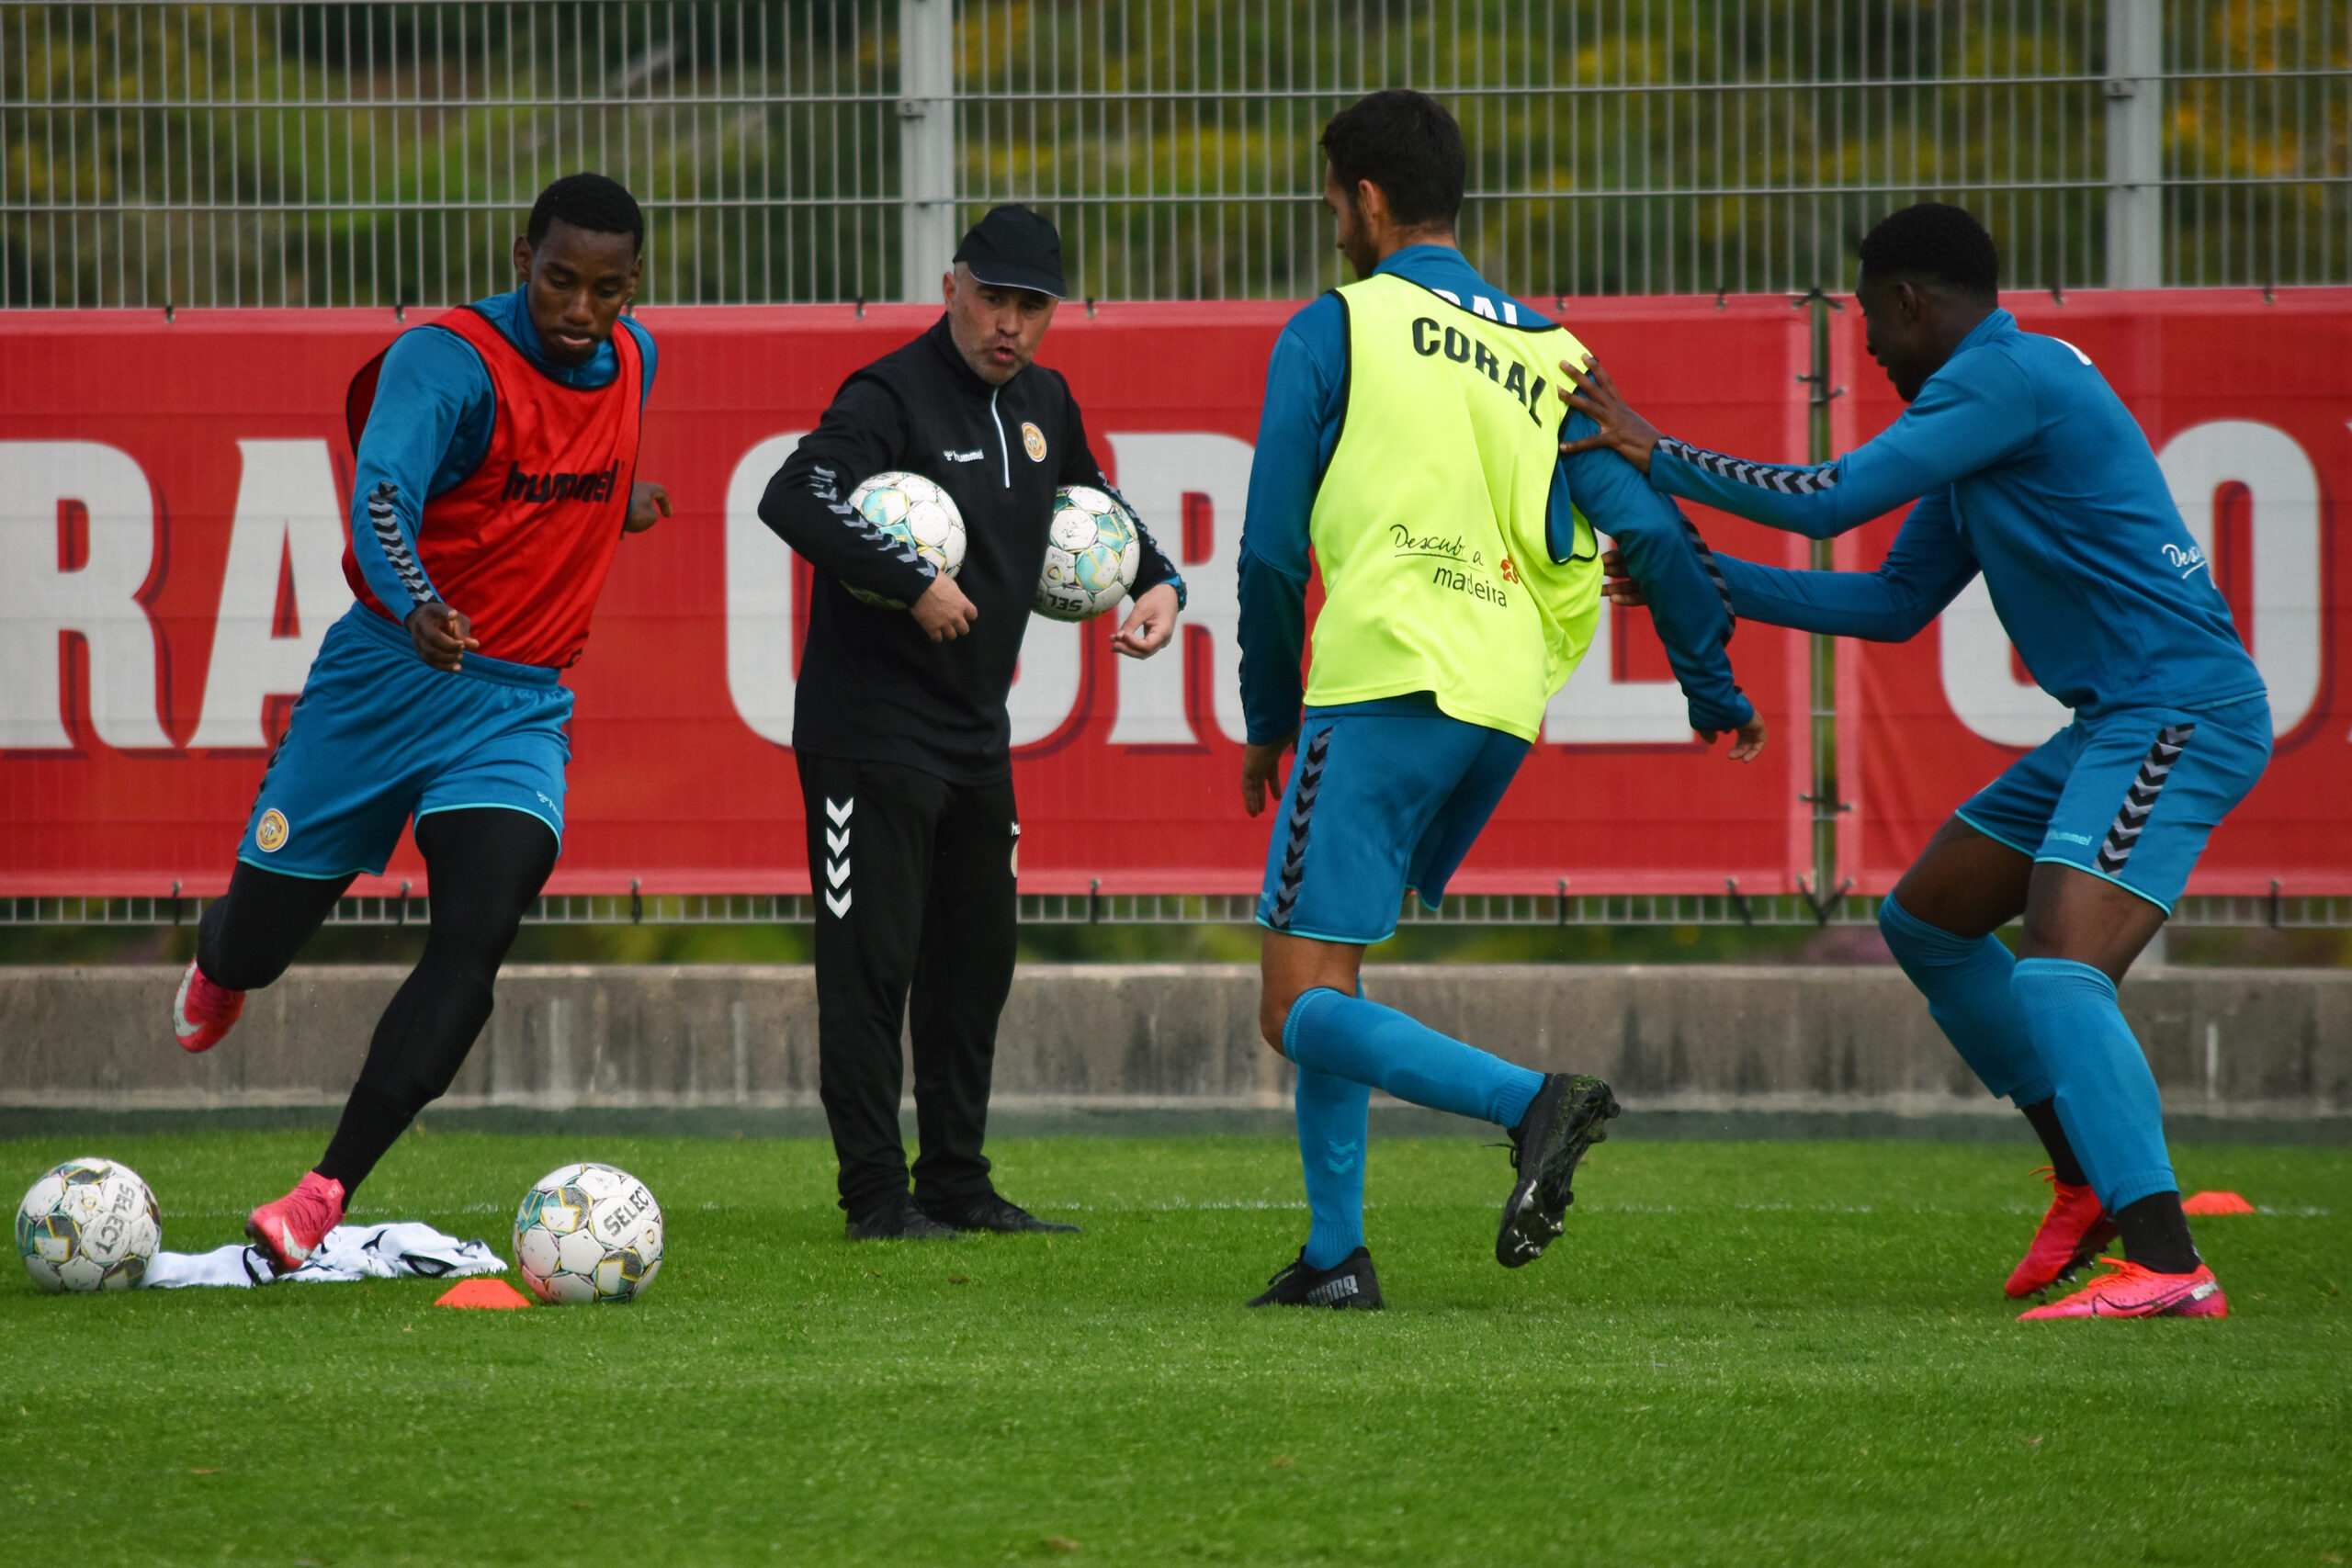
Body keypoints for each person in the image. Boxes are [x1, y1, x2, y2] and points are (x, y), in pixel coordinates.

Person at [1566, 202, 2264, 1322]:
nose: (1873, 354)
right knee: (1928, 920)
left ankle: (2171, 1265)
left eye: (1872, 327)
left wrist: (1657, 451)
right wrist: (1705, 585)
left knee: (2054, 971)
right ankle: (2083, 1177)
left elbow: (1832, 500)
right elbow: (1894, 605)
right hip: (2115, 721)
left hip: (2180, 714)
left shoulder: (2005, 380)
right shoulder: (1982, 412)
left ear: (1907, 301)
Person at [1235, 89, 1765, 1311]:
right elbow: (1660, 536)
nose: (1332, 228)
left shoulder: (1339, 327)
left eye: (1333, 203)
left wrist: (1270, 713)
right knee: (1334, 967)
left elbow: (1268, 553)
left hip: (1379, 681)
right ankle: (1332, 1259)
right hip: (1499, 703)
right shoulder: (1555, 355)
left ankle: (1529, 1102)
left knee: (1292, 1003)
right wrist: (1712, 687)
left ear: (1366, 200)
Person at [169, 173, 672, 1272]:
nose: (580, 311)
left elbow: (564, 476)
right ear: (517, 257)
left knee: (478, 932)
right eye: (558, 282)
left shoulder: (634, 356)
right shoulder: (445, 361)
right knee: (255, 940)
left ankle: (321, 1192)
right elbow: (384, 497)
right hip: (387, 677)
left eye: (606, 289)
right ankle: (223, 963)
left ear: (636, 284)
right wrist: (418, 602)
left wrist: (620, 502)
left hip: (519, 707)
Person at [758, 205, 1187, 1241]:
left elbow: (1093, 501)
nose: (1009, 324)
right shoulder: (889, 394)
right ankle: (875, 1199)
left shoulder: (1045, 400)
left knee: (974, 963)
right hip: (868, 730)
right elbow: (792, 498)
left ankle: (956, 1180)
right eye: (992, 297)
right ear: (952, 285)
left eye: (1030, 307)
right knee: (872, 966)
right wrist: (910, 579)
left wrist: (1159, 579)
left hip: (971, 732)